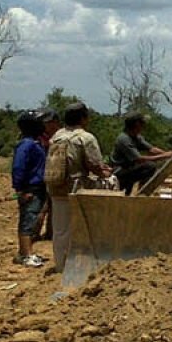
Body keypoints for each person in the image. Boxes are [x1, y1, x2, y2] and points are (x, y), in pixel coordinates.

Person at [47, 102, 111, 272]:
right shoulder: (86, 138)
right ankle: (86, 263)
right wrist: (105, 172)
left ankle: (60, 265)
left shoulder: (57, 136)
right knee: (84, 227)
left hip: (56, 187)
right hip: (77, 189)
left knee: (60, 230)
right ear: (83, 118)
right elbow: (94, 165)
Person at [11, 110, 47, 267]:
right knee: (28, 220)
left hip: (37, 187)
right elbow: (18, 167)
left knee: (30, 218)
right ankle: (26, 255)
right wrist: (20, 190)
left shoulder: (35, 143)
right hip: (30, 188)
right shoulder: (26, 144)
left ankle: (24, 252)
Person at [111, 111, 172, 195]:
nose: (144, 126)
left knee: (147, 167)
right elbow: (139, 159)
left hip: (128, 168)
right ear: (137, 124)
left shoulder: (136, 137)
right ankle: (142, 193)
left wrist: (168, 154)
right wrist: (164, 156)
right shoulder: (124, 139)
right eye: (142, 123)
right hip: (119, 171)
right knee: (149, 166)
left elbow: (151, 149)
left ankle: (138, 191)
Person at [32, 108, 61, 242]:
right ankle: (34, 233)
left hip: (53, 175)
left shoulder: (56, 137)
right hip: (42, 176)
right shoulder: (41, 139)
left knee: (53, 206)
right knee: (43, 207)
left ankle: (50, 233)